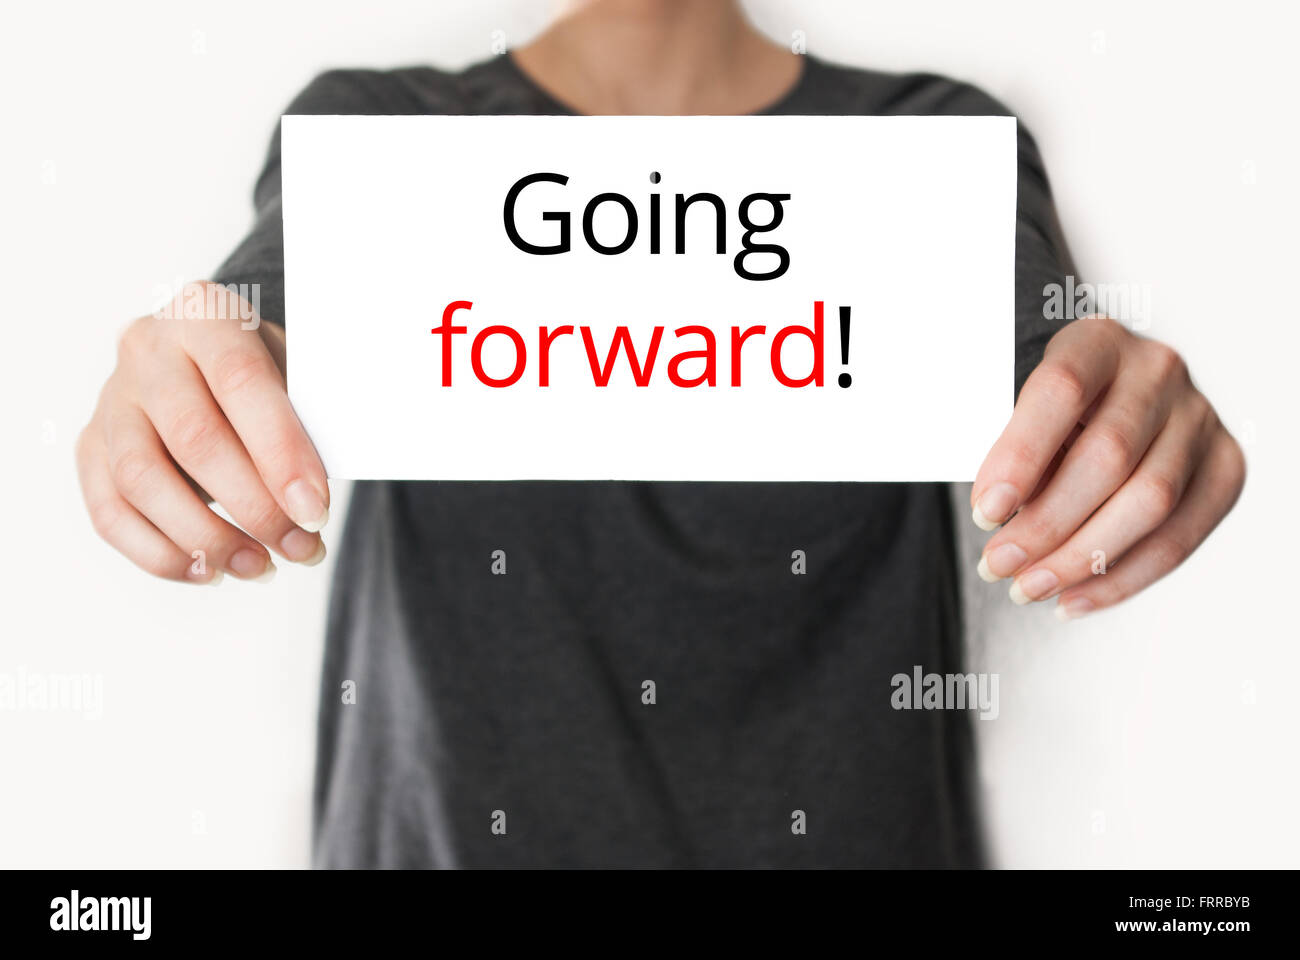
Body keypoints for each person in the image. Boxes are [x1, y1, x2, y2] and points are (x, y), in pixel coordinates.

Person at [75, 0, 1245, 867]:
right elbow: (249, 330)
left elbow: (1058, 381)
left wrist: (1129, 422)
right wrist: (186, 384)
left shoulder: (930, 142)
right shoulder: (380, 133)